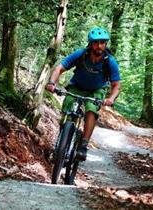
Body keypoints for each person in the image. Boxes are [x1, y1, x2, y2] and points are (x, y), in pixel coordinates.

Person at [45, 27, 121, 161]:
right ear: (91, 44)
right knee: (68, 108)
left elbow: (116, 85)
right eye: (96, 43)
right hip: (77, 86)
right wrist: (51, 83)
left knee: (91, 110)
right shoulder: (81, 55)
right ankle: (61, 141)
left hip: (96, 90)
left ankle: (83, 145)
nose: (99, 46)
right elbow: (59, 68)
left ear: (105, 44)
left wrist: (111, 98)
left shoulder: (110, 61)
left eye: (102, 42)